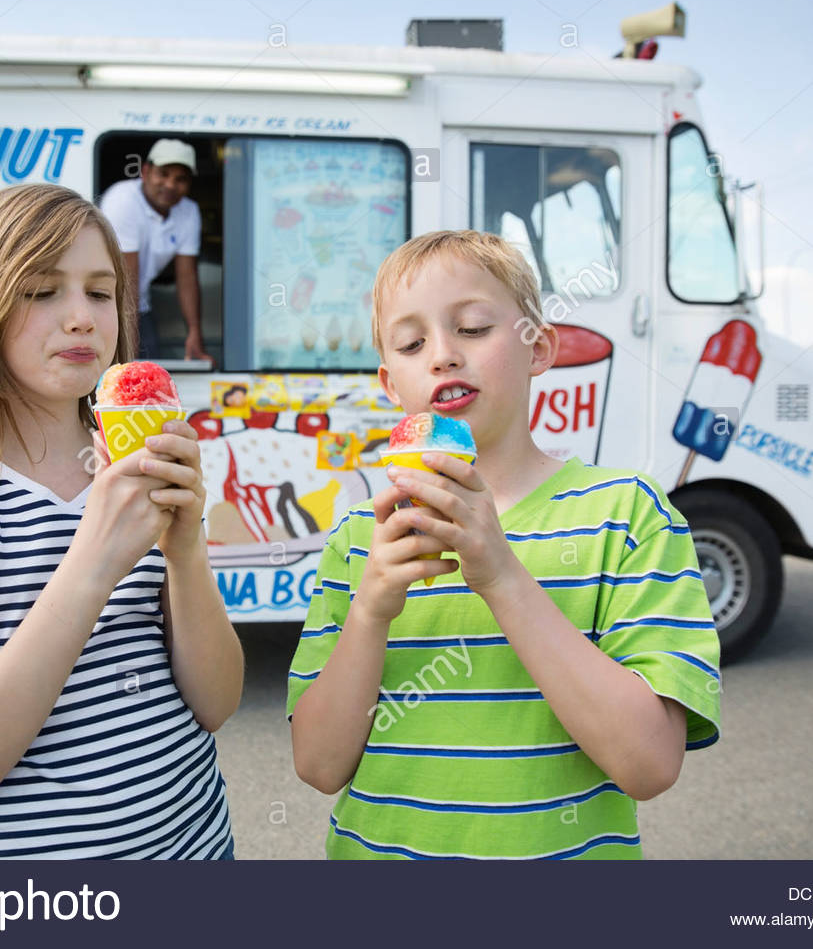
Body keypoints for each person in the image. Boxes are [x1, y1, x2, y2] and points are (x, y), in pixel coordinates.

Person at [287, 230, 721, 859]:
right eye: (412, 343)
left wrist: (502, 578)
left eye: (472, 328)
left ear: (538, 347)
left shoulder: (626, 515)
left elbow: (650, 764)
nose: (441, 355)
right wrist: (370, 612)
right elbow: (320, 765)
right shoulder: (362, 538)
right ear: (390, 383)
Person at [0, 184, 243, 859]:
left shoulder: (133, 461)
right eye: (41, 291)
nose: (81, 318)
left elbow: (216, 702)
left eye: (100, 293)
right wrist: (92, 565)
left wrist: (186, 556)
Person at [99, 138, 213, 364]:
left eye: (180, 179)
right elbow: (126, 281)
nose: (171, 184)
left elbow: (187, 276)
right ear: (146, 171)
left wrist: (194, 333)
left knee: (151, 376)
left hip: (140, 305)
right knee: (121, 378)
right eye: (164, 173)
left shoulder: (188, 211)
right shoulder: (123, 201)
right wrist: (126, 355)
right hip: (107, 304)